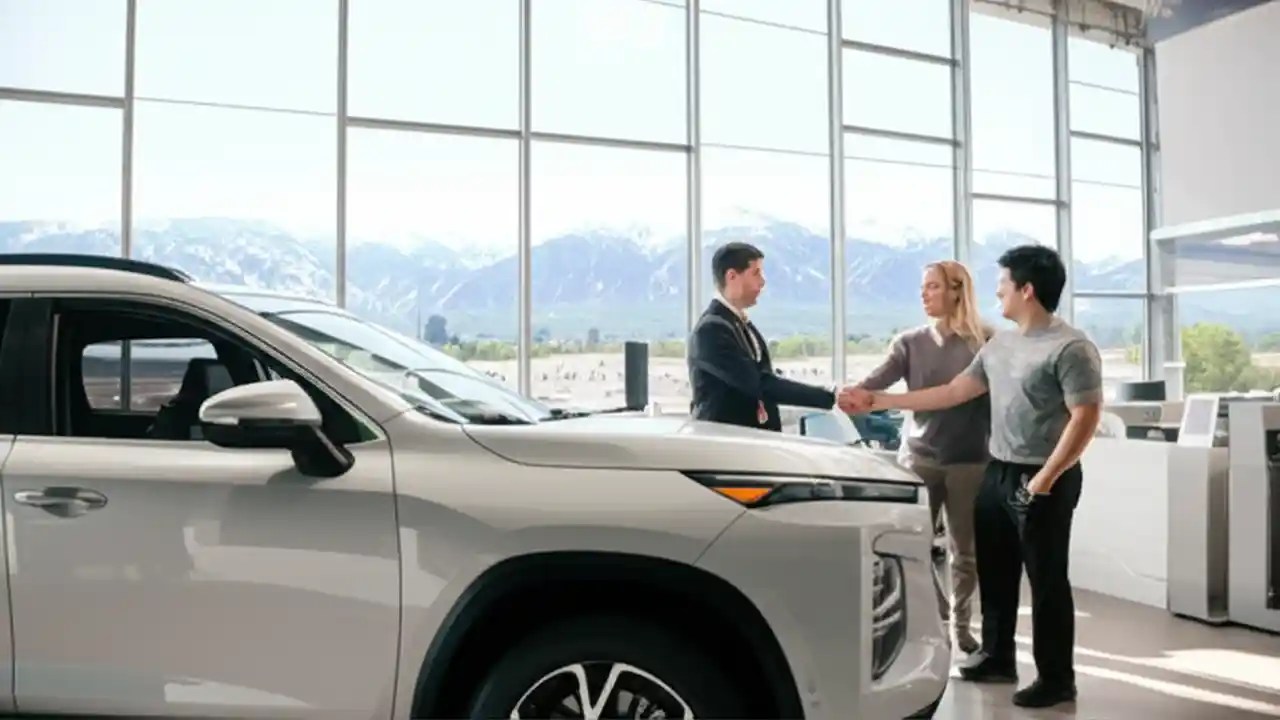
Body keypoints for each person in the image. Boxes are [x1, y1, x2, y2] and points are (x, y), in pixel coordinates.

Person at [844, 245, 1103, 709]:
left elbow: (1085, 418)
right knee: (996, 571)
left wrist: (1044, 479)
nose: (997, 291)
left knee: (1046, 581)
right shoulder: (1000, 344)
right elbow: (949, 393)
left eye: (1004, 284)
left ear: (1026, 290)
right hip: (997, 470)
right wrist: (878, 402)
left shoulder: (1072, 347)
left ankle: (1057, 679)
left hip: (1044, 476)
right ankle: (997, 657)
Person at [851, 260, 992, 655]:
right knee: (913, 545)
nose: (924, 293)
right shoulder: (908, 342)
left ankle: (962, 629)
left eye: (932, 286)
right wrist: (848, 394)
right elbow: (874, 381)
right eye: (923, 286)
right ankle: (941, 617)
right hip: (918, 458)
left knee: (965, 553)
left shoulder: (987, 342)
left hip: (970, 460)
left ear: (956, 291)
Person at [688, 242, 839, 430]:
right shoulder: (711, 330)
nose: (762, 281)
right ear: (732, 276)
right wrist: (828, 398)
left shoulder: (740, 325)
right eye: (756, 273)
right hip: (726, 445)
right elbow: (760, 384)